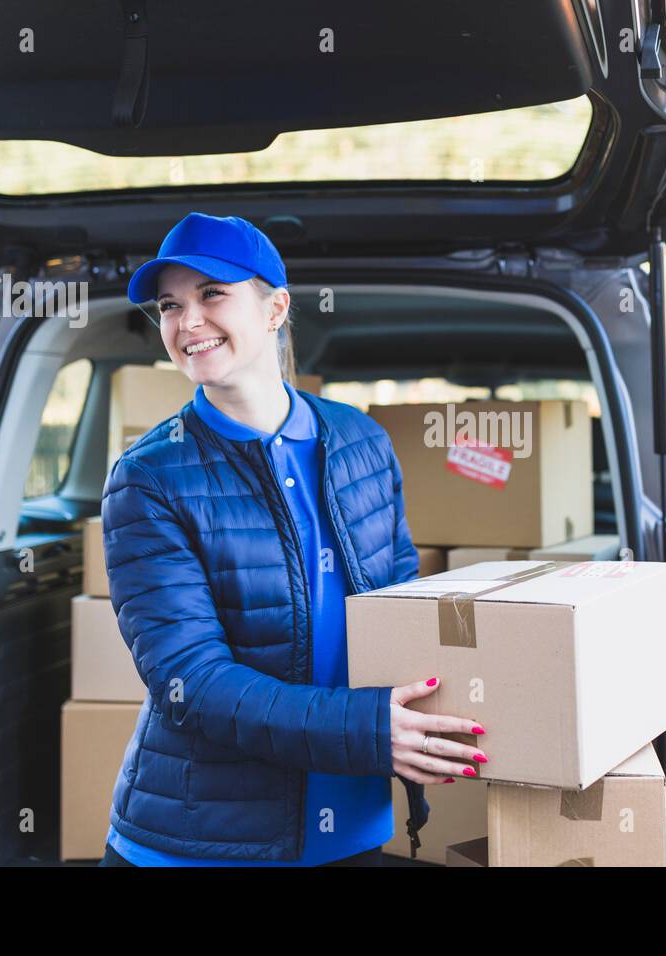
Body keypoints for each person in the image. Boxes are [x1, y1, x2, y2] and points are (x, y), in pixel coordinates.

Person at [97, 212, 487, 866]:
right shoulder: (150, 478)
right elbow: (193, 683)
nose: (186, 321)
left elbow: (404, 611)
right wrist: (369, 731)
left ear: (275, 307)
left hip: (353, 826)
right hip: (202, 844)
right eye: (170, 305)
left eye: (211, 294)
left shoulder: (361, 442)